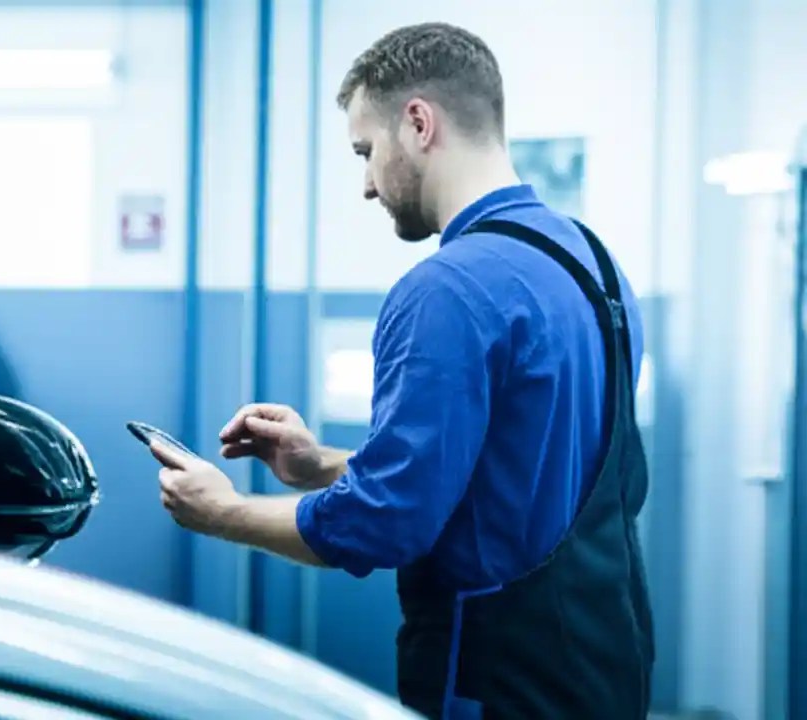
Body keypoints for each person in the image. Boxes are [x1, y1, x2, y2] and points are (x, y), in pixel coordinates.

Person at [149, 21, 654, 720]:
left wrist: (223, 513)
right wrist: (317, 463)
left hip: (493, 683)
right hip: (605, 670)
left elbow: (385, 523)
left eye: (366, 150)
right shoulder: (595, 265)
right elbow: (500, 476)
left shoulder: (448, 289)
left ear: (417, 123)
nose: (365, 184)